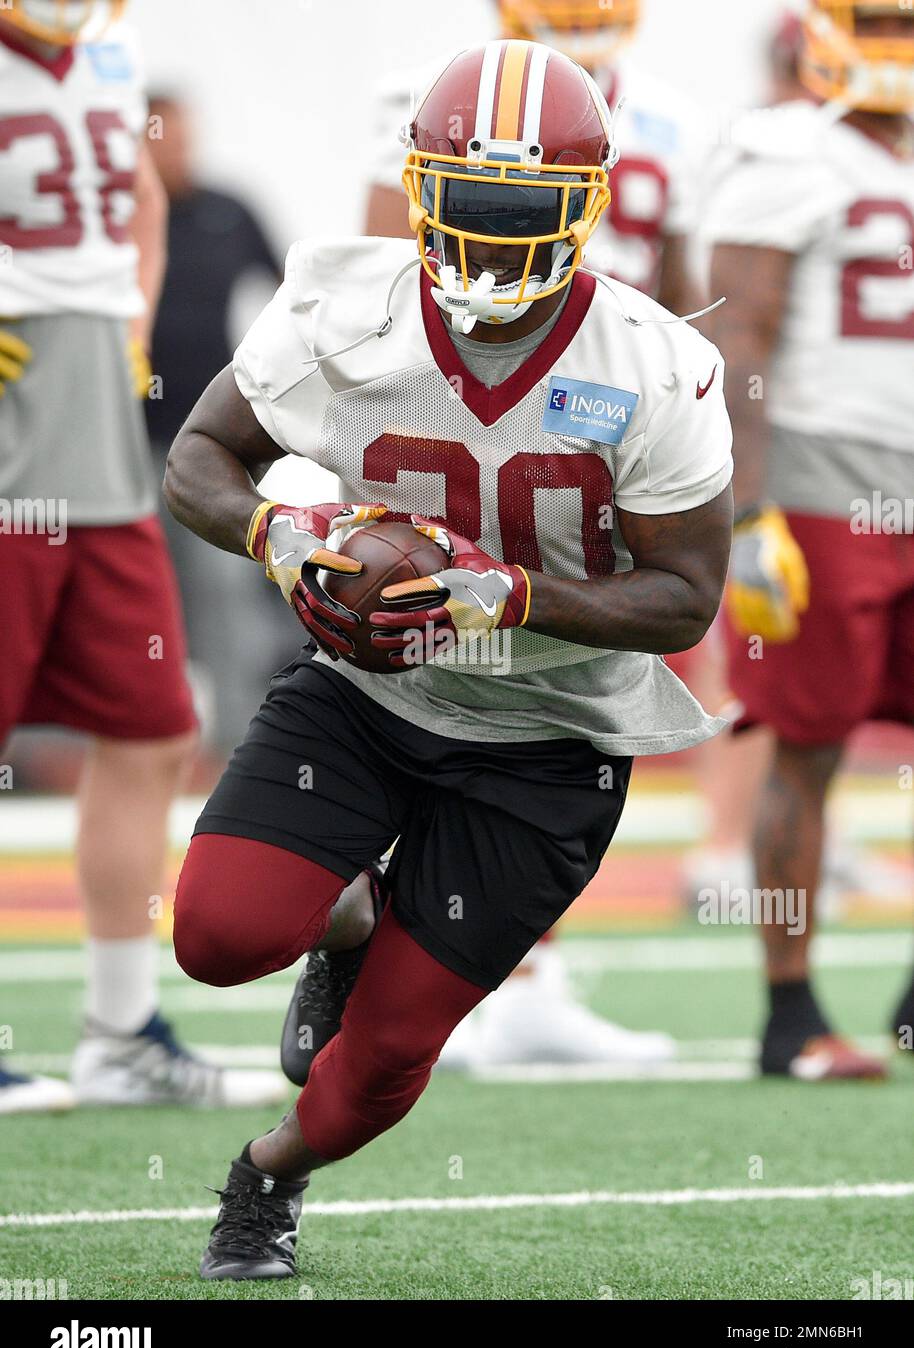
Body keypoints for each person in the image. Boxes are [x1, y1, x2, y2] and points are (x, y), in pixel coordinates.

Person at [165, 40, 734, 1279]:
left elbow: (687, 597)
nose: (488, 240)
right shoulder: (343, 299)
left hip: (547, 734)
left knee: (368, 1066)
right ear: (417, 185)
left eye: (521, 213)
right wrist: (283, 529)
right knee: (213, 934)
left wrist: (507, 593)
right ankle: (348, 912)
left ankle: (263, 1180)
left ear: (584, 208)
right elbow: (200, 459)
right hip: (370, 688)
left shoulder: (651, 364)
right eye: (468, 203)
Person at [354, 0, 705, 1069]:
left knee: (555, 692)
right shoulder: (430, 94)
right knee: (420, 672)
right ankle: (393, 935)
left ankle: (521, 964)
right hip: (463, 414)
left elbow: (682, 302)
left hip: (608, 433)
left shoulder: (672, 121)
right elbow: (379, 279)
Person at [0, 0, 284, 1111]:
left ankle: (118, 1030)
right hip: (14, 433)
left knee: (152, 724)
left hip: (101, 445)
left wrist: (129, 321)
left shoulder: (107, 49)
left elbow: (146, 201)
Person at [707, 0, 914, 1080]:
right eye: (873, 20)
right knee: (810, 739)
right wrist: (746, 508)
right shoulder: (785, 149)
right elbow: (738, 332)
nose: (891, 44)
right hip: (824, 474)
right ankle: (787, 1010)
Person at [144, 94, 287, 751]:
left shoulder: (228, 213)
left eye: (181, 137)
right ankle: (149, 741)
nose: (176, 152)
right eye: (161, 139)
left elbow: (296, 298)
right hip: (124, 441)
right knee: (136, 600)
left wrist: (273, 395)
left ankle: (238, 745)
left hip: (209, 444)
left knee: (224, 593)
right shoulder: (126, 215)